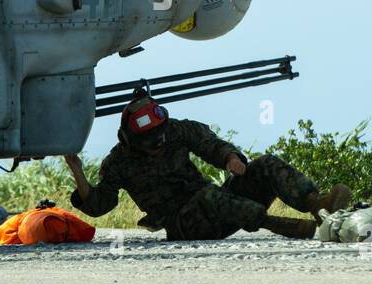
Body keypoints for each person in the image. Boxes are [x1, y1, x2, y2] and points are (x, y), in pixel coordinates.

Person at [63, 94, 350, 240]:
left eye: (161, 135)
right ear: (131, 140)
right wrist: (77, 171)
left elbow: (210, 144)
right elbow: (100, 205)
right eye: (151, 141)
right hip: (185, 225)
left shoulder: (176, 131)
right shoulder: (118, 163)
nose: (159, 143)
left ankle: (318, 204)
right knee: (206, 196)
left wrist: (230, 158)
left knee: (264, 165)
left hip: (222, 209)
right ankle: (281, 225)